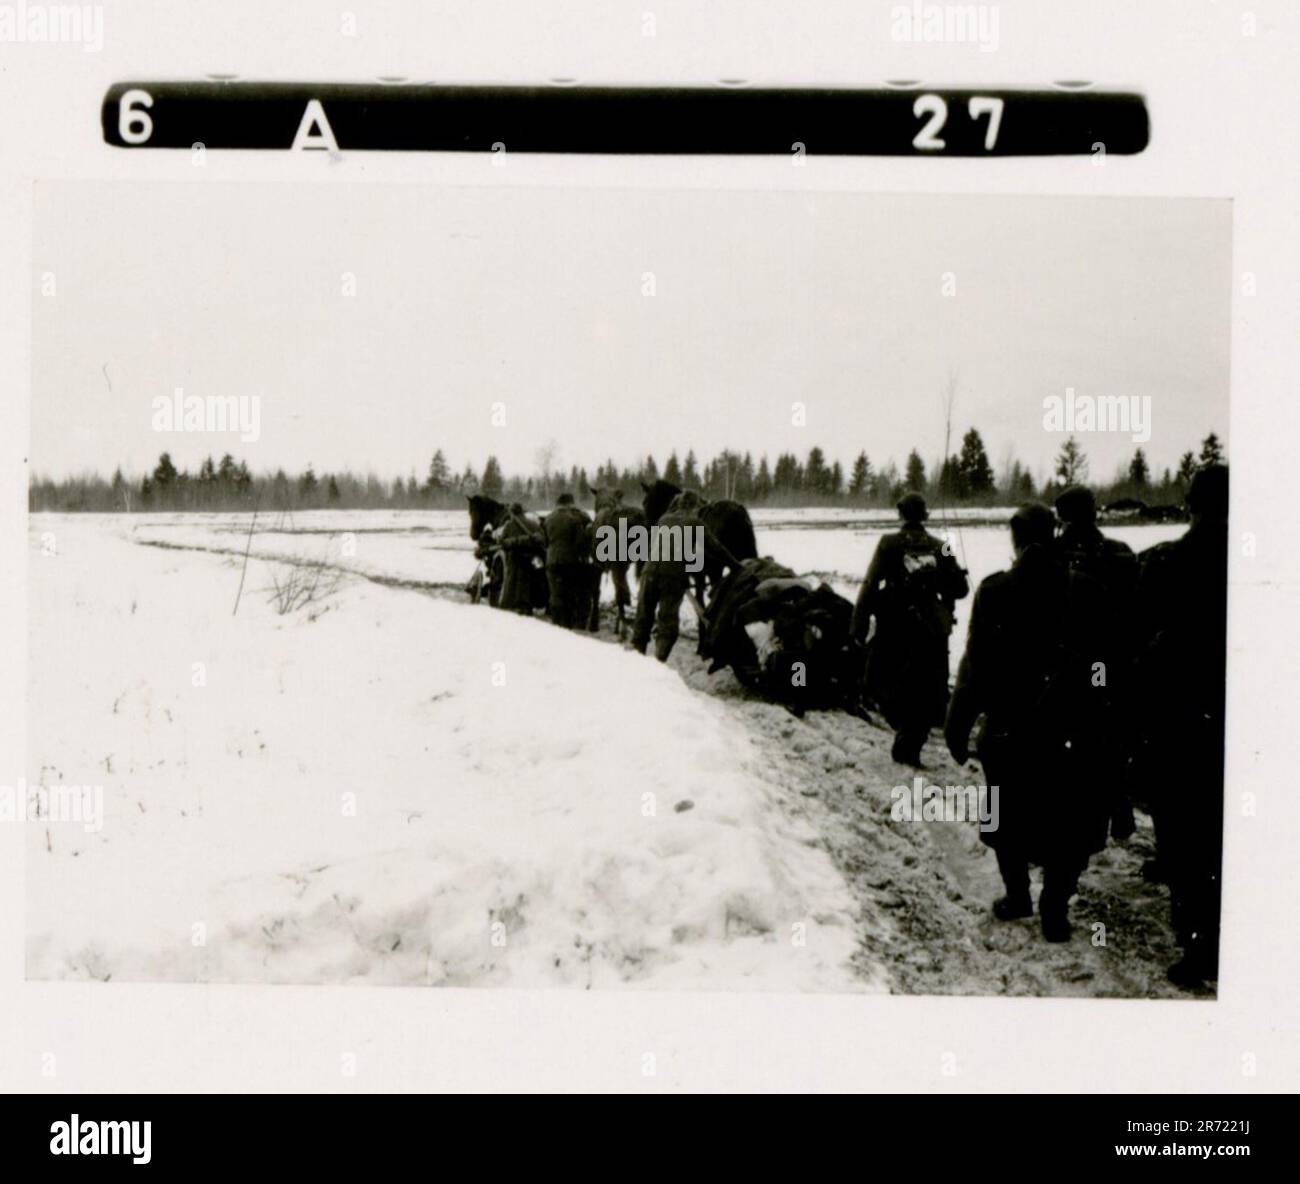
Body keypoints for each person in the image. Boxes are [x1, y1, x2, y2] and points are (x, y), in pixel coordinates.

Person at [945, 503, 1112, 943]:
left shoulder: (995, 591)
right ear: (1054, 533)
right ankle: (1055, 909)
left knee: (1007, 815)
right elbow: (1102, 667)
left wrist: (958, 725)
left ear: (1014, 539)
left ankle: (1017, 897)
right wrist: (1100, 713)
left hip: (1009, 731)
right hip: (1071, 733)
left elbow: (975, 668)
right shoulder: (1088, 590)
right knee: (1069, 822)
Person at [1128, 464, 1228, 988]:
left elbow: (1136, 649)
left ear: (1190, 504)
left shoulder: (1165, 562)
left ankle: (1201, 949)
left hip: (1184, 727)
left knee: (1188, 843)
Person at [851, 492, 969, 767]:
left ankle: (904, 733)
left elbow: (869, 585)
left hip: (895, 625)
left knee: (884, 680)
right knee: (927, 687)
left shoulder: (888, 543)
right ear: (924, 516)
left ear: (900, 514)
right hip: (930, 628)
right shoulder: (943, 545)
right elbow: (960, 590)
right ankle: (911, 740)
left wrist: (857, 628)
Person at [1053, 485, 1141, 842]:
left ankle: (1078, 814)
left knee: (1069, 736)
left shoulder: (1055, 553)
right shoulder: (1119, 553)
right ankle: (1120, 812)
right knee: (1111, 735)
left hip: (1072, 662)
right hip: (1111, 662)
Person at [631, 490, 716, 662]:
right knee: (668, 626)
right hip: (672, 578)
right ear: (693, 506)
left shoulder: (663, 519)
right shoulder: (695, 522)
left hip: (649, 573)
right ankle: (658, 664)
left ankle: (636, 662)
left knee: (642, 619)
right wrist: (735, 565)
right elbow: (715, 548)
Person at [541, 493, 594, 629]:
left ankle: (557, 622)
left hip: (552, 560)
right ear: (570, 503)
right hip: (570, 561)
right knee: (569, 593)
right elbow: (579, 543)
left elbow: (544, 541)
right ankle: (569, 623)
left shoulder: (548, 519)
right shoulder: (575, 520)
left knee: (555, 593)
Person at [496, 503, 544, 615]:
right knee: (528, 584)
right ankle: (527, 607)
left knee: (512, 584)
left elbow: (503, 543)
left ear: (512, 513)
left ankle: (512, 608)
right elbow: (542, 540)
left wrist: (516, 541)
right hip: (531, 559)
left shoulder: (509, 525)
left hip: (514, 559)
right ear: (522, 512)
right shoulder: (534, 524)